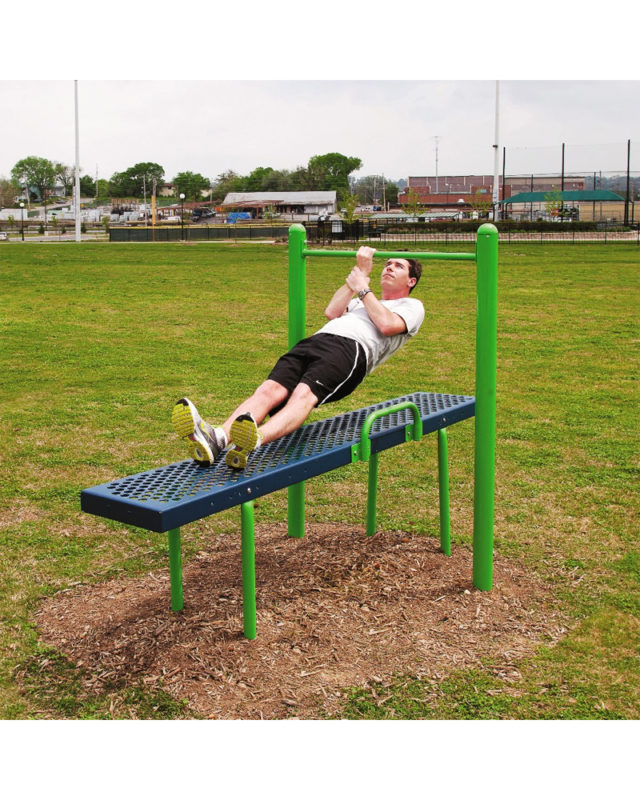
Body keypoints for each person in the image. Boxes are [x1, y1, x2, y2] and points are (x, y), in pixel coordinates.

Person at [172, 246, 424, 469]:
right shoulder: (364, 300)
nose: (389, 268)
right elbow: (332, 311)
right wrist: (357, 277)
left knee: (303, 396)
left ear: (411, 280)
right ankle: (218, 439)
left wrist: (363, 288)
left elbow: (387, 325)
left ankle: (254, 440)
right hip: (317, 341)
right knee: (268, 389)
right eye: (387, 264)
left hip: (352, 350)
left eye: (398, 266)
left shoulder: (412, 306)